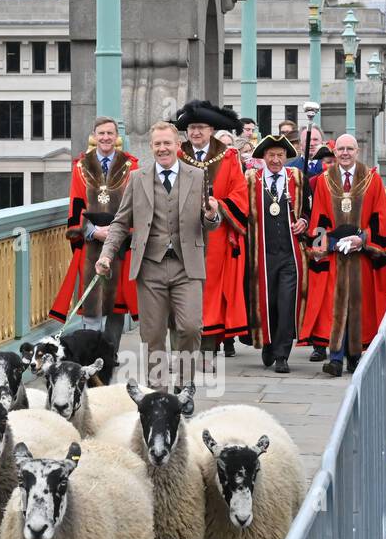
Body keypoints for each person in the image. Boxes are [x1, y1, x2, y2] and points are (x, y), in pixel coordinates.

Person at [96, 120, 221, 391]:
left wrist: (212, 214)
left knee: (190, 327)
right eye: (157, 144)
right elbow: (120, 222)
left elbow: (208, 221)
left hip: (186, 265)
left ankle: (186, 384)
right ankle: (158, 393)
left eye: (167, 143)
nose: (162, 149)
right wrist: (106, 255)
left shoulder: (197, 176)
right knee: (152, 334)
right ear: (151, 147)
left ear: (178, 146)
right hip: (150, 267)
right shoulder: (137, 178)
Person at [301, 133, 386, 377]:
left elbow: (381, 217)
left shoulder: (372, 180)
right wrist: (329, 244)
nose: (345, 153)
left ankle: (354, 357)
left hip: (362, 255)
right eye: (341, 149)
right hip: (335, 254)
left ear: (357, 152)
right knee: (334, 303)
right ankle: (335, 357)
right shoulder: (324, 181)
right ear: (335, 153)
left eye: (350, 149)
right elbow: (320, 219)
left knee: (359, 304)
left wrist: (363, 239)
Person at [49, 116, 139, 347]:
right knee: (91, 299)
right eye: (102, 133)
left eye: (110, 133)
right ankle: (91, 351)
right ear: (94, 136)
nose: (106, 138)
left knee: (117, 303)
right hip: (91, 243)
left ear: (116, 137)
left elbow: (137, 204)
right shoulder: (80, 167)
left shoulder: (131, 166)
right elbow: (76, 206)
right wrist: (91, 231)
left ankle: (111, 352)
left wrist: (120, 232)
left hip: (120, 242)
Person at [175, 100, 251, 361]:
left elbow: (240, 194)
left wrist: (219, 205)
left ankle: (207, 349)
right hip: (182, 233)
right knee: (182, 289)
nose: (195, 132)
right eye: (192, 128)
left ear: (211, 130)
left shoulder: (228, 157)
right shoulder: (177, 154)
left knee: (209, 291)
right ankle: (184, 351)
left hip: (216, 236)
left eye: (201, 127)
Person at [241, 134, 311, 373]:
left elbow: (310, 211)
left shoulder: (298, 179)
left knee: (286, 301)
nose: (275, 160)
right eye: (271, 155)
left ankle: (282, 354)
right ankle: (268, 344)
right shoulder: (251, 179)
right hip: (262, 252)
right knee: (267, 302)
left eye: (280, 155)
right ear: (263, 157)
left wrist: (303, 221)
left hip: (290, 254)